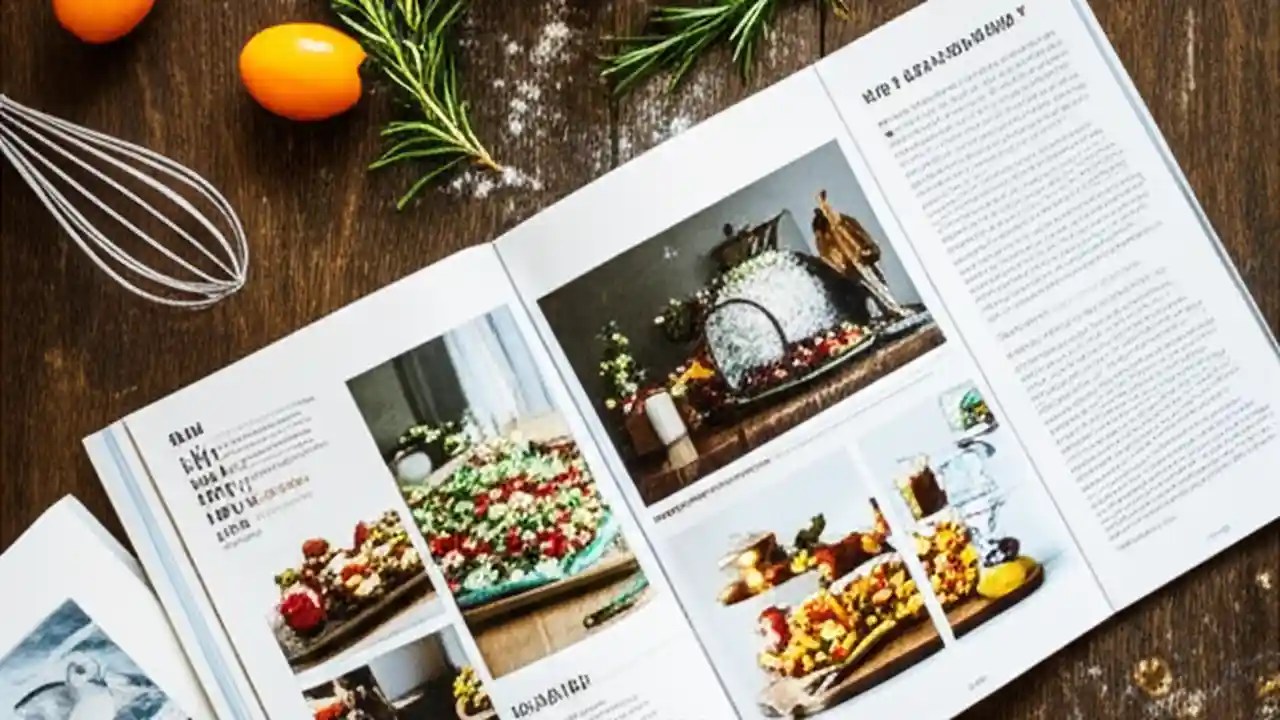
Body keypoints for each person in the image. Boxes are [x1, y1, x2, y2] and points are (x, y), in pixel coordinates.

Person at [811, 190, 909, 320]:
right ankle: (893, 310)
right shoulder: (828, 233)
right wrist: (822, 204)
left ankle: (888, 311)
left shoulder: (840, 225)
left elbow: (855, 233)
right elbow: (830, 254)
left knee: (877, 286)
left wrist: (869, 248)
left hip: (861, 257)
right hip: (856, 262)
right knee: (876, 286)